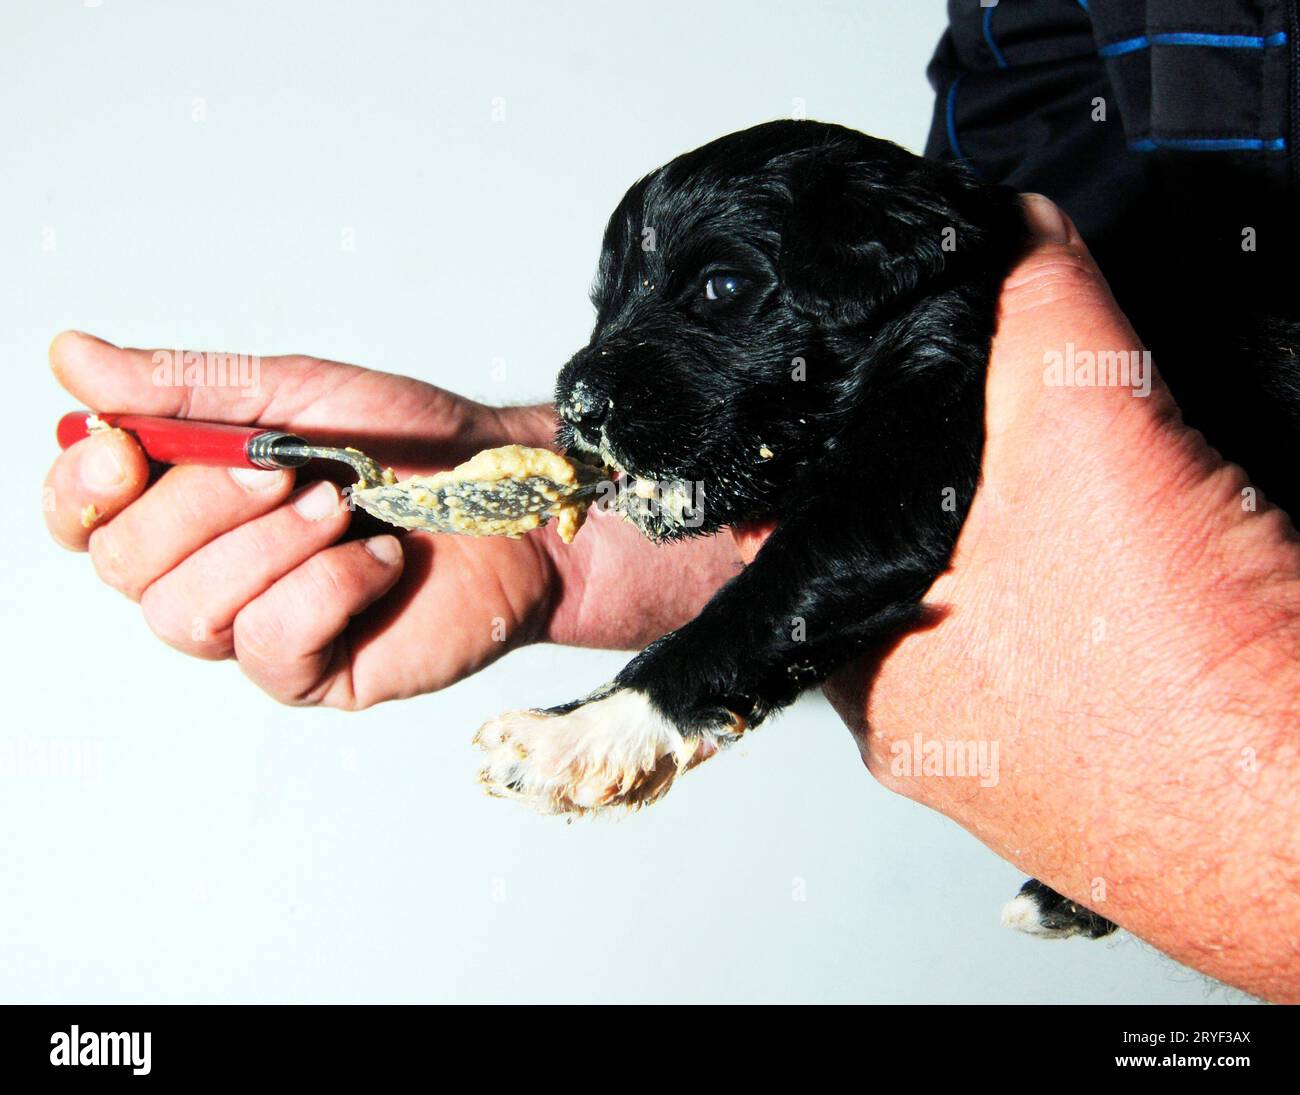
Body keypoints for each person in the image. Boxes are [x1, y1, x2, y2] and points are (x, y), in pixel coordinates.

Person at [43, 3, 1300, 1001]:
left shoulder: (926, 249)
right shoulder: (993, 160)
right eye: (614, 310)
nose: (592, 370)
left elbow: (921, 467)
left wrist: (1203, 777)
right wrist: (586, 519)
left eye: (708, 293)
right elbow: (1000, 398)